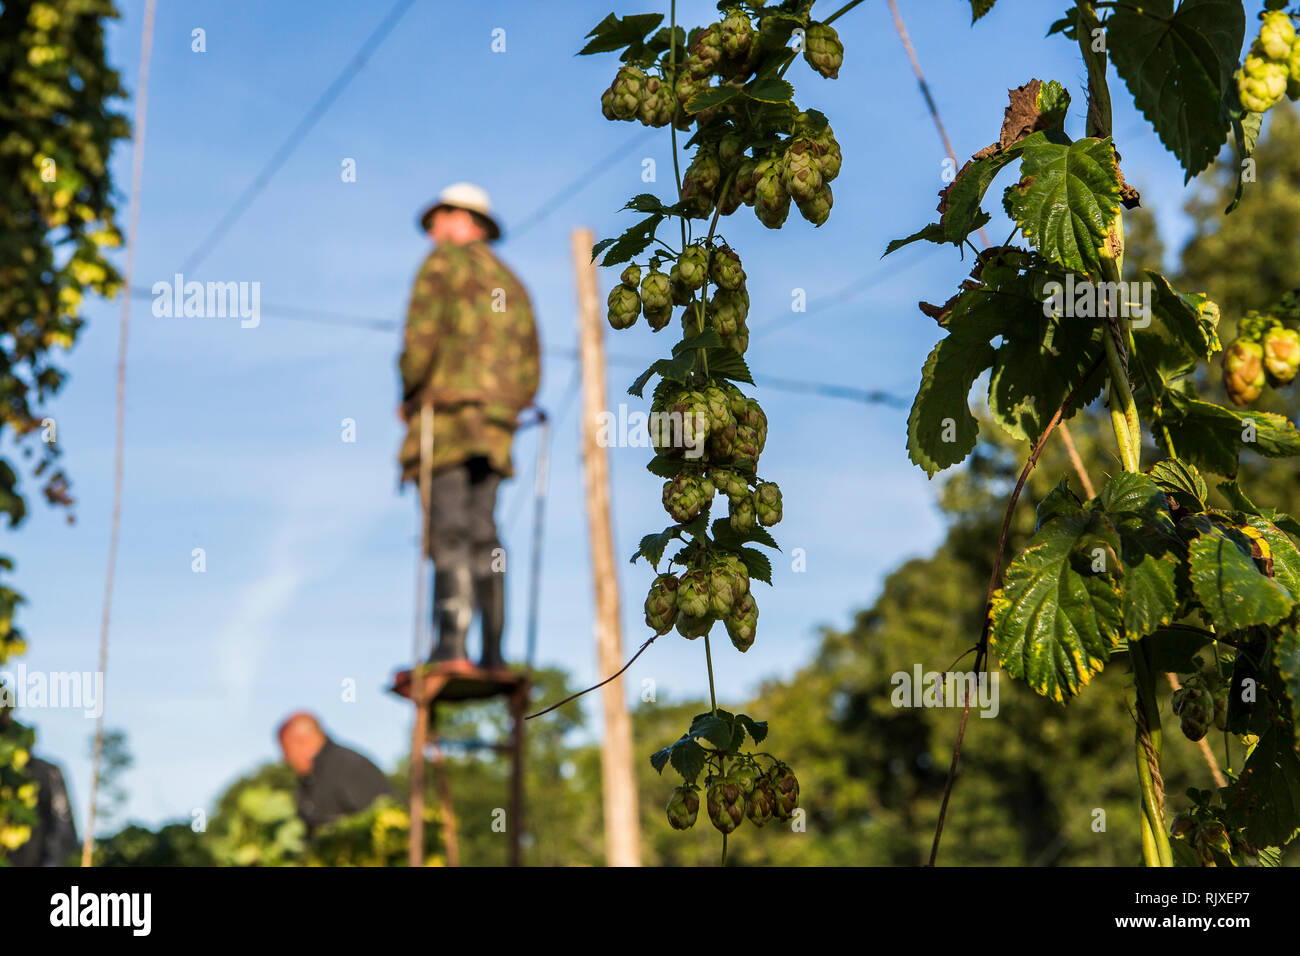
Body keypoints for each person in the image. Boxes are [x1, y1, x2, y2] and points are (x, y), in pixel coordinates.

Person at [398, 182, 540, 672]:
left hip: (449, 421)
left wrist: (409, 394)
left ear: (465, 221)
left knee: (450, 533)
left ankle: (451, 648)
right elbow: (531, 366)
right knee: (486, 535)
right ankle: (495, 653)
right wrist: (507, 409)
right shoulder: (511, 283)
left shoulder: (442, 265)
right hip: (498, 428)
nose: (433, 229)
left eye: (439, 218)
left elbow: (421, 341)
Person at [277, 712, 392, 835]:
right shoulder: (310, 778)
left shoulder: (349, 767)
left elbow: (381, 825)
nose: (285, 760)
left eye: (286, 751)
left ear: (303, 742)